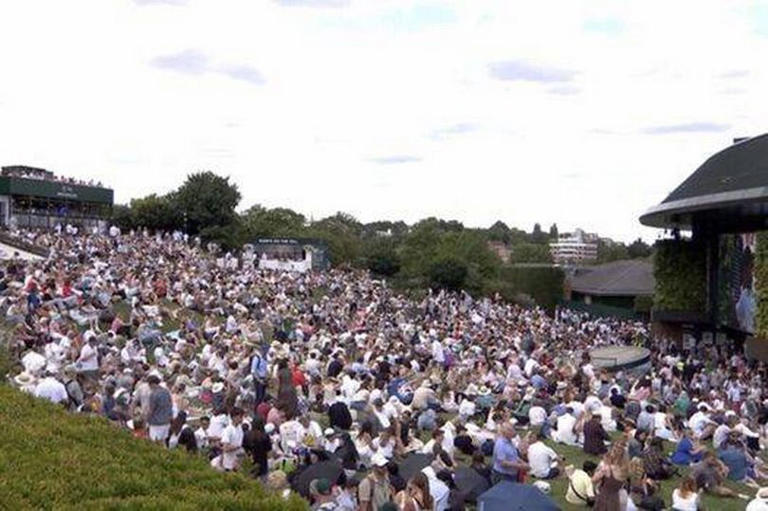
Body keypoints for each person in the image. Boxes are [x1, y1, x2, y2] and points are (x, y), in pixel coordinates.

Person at [146, 374, 173, 443]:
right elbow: (170, 404)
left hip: (156, 423)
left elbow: (151, 410)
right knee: (163, 442)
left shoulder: (153, 394)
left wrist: (146, 420)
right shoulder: (166, 392)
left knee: (154, 443)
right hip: (166, 422)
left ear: (152, 384)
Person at [219, 407, 245, 472]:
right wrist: (237, 446)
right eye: (240, 417)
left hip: (238, 463)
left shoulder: (240, 428)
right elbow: (225, 448)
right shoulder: (228, 430)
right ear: (233, 417)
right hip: (229, 464)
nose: (242, 419)